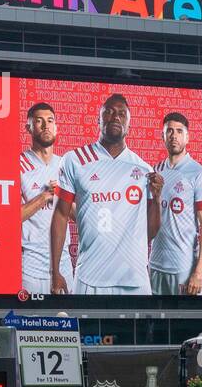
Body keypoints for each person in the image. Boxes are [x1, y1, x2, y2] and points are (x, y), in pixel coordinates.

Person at [49, 93, 157, 297]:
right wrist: (55, 271)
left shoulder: (143, 169)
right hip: (90, 276)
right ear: (99, 119)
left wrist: (157, 200)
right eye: (109, 112)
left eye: (122, 114)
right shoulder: (74, 160)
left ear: (129, 125)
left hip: (134, 279)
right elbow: (60, 215)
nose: (115, 117)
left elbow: (149, 233)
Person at [147, 111, 202, 295]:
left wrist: (199, 271)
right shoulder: (155, 171)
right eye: (170, 131)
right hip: (155, 265)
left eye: (179, 131)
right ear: (162, 136)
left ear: (187, 137)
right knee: (154, 322)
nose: (174, 136)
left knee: (183, 322)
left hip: (183, 268)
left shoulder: (197, 172)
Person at [19, 102, 71, 295]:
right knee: (30, 323)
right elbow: (9, 219)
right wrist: (45, 196)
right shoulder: (18, 164)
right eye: (39, 121)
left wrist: (61, 196)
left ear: (56, 127)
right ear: (28, 128)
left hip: (64, 263)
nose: (45, 126)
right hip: (31, 266)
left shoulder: (66, 164)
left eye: (50, 121)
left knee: (67, 322)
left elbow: (79, 215)